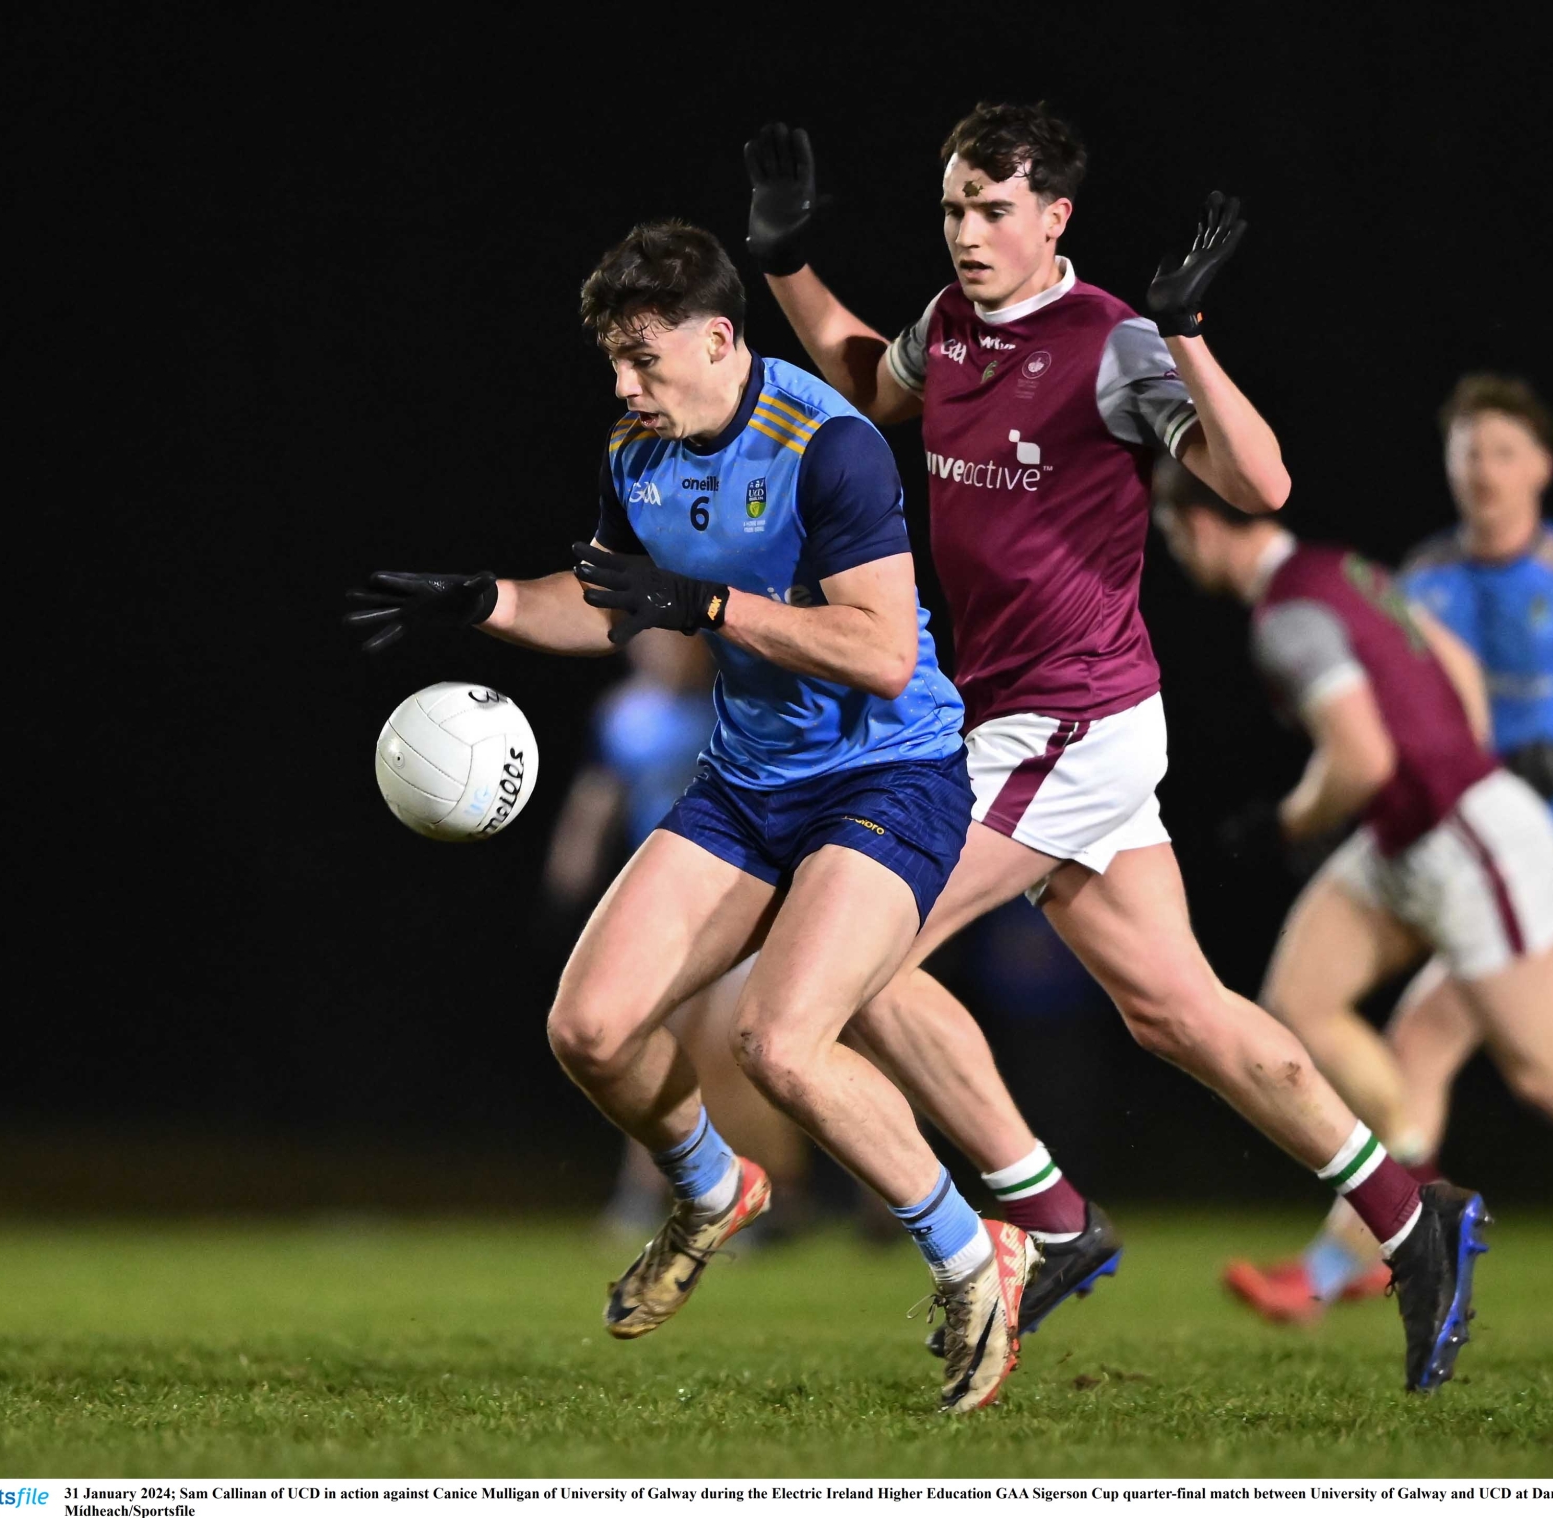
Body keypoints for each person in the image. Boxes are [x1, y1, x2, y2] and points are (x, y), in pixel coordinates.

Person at [748, 102, 1486, 1392]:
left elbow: (1262, 487)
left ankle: (1044, 1216)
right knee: (1181, 1014)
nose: (969, 233)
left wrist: (1190, 336)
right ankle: (1417, 1226)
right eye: (953, 209)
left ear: (1055, 219)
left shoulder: (1110, 344)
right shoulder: (954, 321)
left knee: (849, 962)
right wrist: (785, 261)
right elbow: (871, 388)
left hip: (1069, 723)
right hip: (1020, 722)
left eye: (993, 210)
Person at [346, 219, 1039, 1414]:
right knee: (591, 1029)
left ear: (721, 339)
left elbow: (880, 652)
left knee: (780, 1040)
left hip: (888, 776)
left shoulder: (831, 445)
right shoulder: (638, 447)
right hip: (750, 782)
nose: (623, 384)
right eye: (613, 360)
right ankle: (716, 1189)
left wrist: (710, 603)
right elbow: (611, 604)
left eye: (642, 357)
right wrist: (487, 602)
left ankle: (978, 1256)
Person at [1151, 475, 1553, 1328]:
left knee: (1546, 1071)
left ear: (1197, 523)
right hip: (1412, 836)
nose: (1176, 555)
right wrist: (1445, 756)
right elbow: (1458, 663)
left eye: (1172, 534)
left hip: (1468, 843)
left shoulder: (1287, 615)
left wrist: (1287, 821)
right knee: (1299, 1004)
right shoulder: (1343, 568)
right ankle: (1408, 1197)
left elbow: (1362, 759)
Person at [541, 631, 812, 1241]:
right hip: (664, 903)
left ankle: (781, 1193)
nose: (661, 653)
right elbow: (601, 790)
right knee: (641, 1039)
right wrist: (573, 856)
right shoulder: (625, 714)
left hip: (747, 893)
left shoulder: (735, 704)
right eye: (649, 643)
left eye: (672, 642)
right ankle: (651, 1189)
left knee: (735, 1048)